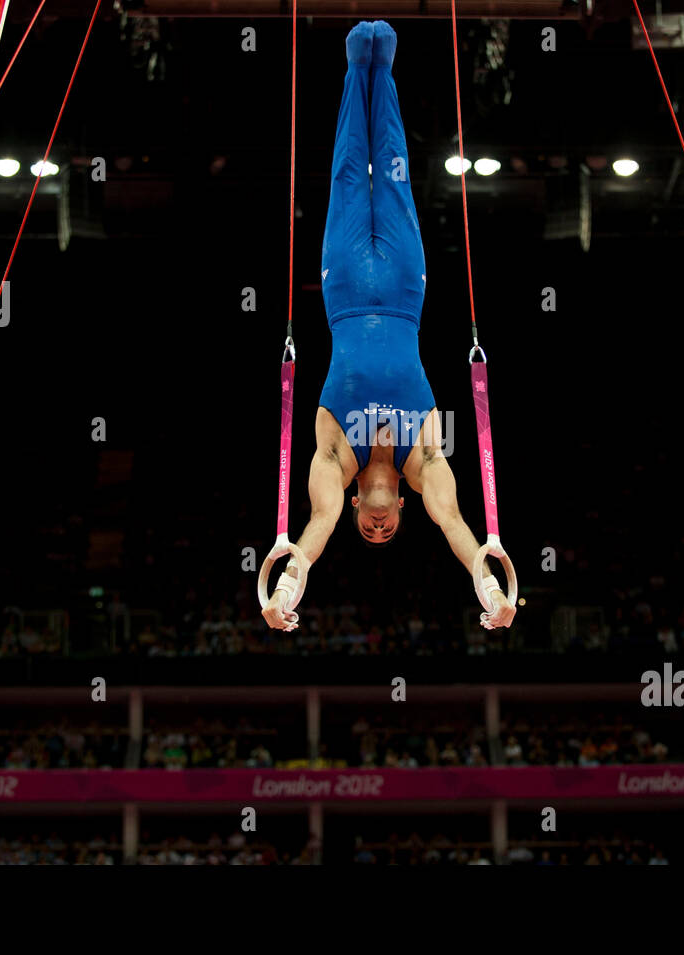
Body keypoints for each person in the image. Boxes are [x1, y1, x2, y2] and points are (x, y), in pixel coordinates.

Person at [262, 21, 514, 631]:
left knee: (350, 174)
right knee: (394, 178)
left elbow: (310, 535)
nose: (377, 528)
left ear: (355, 505)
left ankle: (357, 65)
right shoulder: (425, 458)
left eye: (367, 530)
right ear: (403, 505)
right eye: (389, 529)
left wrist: (284, 593)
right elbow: (458, 526)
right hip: (403, 292)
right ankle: (386, 65)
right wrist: (490, 588)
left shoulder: (333, 457)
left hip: (345, 291)